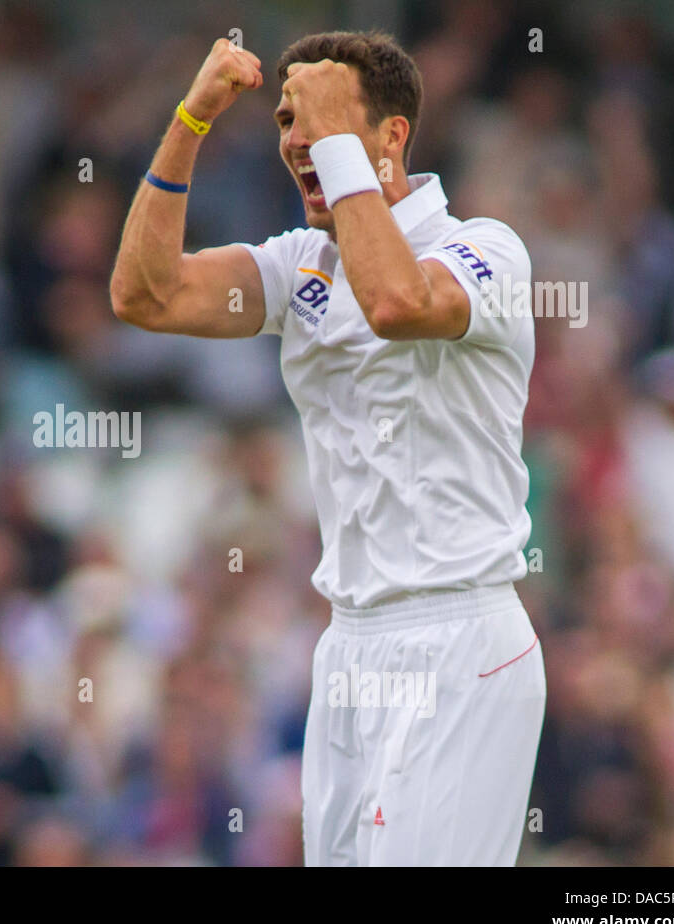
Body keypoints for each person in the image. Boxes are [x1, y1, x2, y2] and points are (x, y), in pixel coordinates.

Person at [110, 31, 545, 866]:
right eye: (285, 119)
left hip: (461, 638)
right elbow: (145, 293)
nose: (297, 139)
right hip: (347, 646)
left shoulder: (485, 249)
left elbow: (395, 303)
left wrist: (334, 148)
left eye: (321, 118)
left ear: (392, 137)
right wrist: (192, 119)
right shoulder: (300, 265)